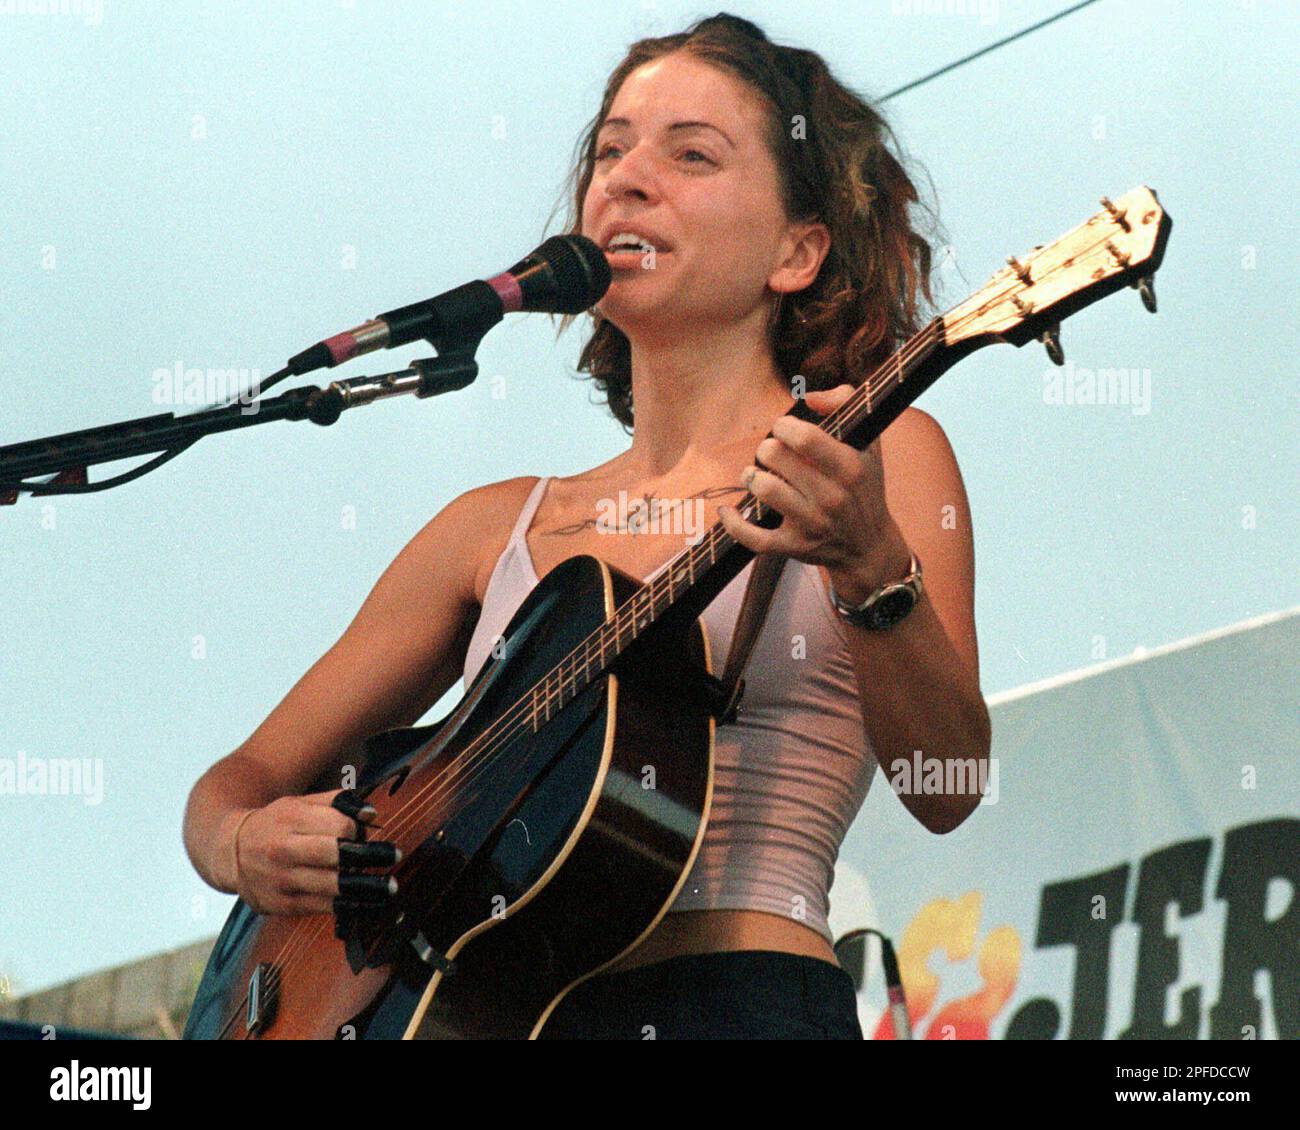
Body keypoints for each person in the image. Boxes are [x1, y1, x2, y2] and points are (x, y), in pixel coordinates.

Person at [183, 13, 991, 1040]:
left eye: (690, 153)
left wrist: (871, 564)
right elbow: (232, 785)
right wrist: (243, 842)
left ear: (797, 250)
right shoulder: (494, 527)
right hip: (487, 1016)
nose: (627, 176)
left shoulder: (872, 448)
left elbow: (950, 782)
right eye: (611, 150)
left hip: (740, 1000)